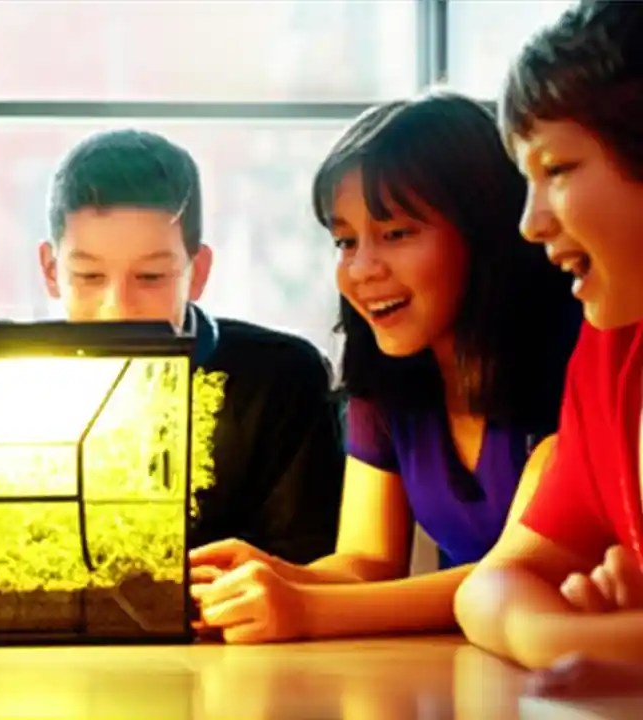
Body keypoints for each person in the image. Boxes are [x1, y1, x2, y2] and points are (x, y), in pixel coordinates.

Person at [190, 92, 581, 643]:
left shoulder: (577, 364)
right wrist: (274, 576)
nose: (362, 269)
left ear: (486, 231)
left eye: (396, 233)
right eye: (345, 241)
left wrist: (304, 609)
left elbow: (514, 577)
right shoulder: (388, 376)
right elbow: (368, 560)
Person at [39, 129, 344, 565]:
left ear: (196, 273)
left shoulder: (278, 380)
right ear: (51, 271)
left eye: (150, 278)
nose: (117, 308)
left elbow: (311, 566)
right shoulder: (16, 383)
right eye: (89, 277)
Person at [455, 0, 643, 687]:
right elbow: (490, 587)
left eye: (558, 169)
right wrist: (582, 637)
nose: (531, 224)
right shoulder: (609, 357)